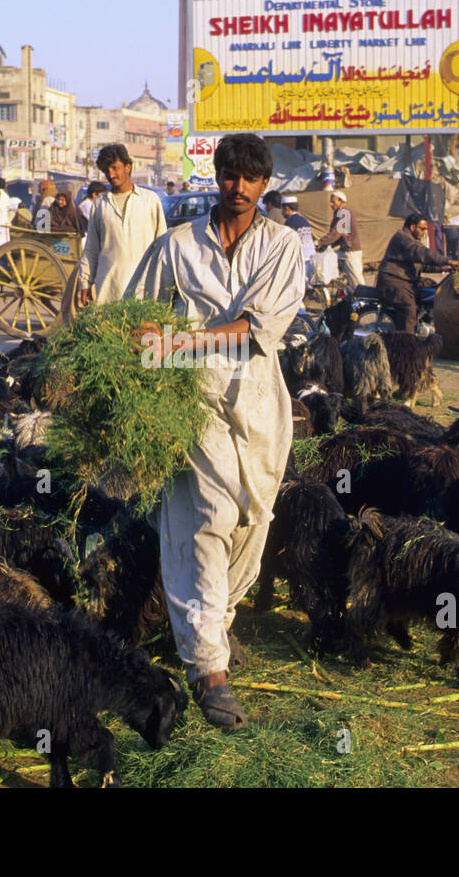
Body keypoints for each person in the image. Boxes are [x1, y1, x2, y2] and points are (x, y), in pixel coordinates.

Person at [125, 132, 303, 730]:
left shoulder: (284, 247)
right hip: (189, 401)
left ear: (264, 183)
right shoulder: (175, 246)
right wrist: (147, 348)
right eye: (230, 174)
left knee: (253, 523)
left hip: (258, 405)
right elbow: (137, 315)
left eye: (250, 178)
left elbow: (254, 328)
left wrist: (175, 343)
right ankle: (208, 672)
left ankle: (214, 626)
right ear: (217, 176)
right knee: (205, 519)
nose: (238, 187)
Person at [74, 143, 166, 306]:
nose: (111, 174)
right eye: (107, 170)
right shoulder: (100, 205)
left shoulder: (150, 200)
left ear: (127, 167)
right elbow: (91, 248)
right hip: (108, 290)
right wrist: (85, 282)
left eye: (115, 168)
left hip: (144, 290)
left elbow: (163, 247)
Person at [377, 215, 456, 333]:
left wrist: (445, 267)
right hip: (393, 281)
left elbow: (422, 264)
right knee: (409, 309)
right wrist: (447, 260)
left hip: (406, 279)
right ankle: (407, 344)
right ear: (413, 227)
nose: (424, 232)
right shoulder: (403, 238)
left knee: (433, 288)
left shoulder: (411, 240)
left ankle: (425, 323)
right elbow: (422, 253)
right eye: (422, 229)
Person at [315, 190, 362, 290]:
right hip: (344, 249)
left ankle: (365, 301)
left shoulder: (344, 212)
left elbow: (336, 232)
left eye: (333, 202)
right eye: (331, 202)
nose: (331, 204)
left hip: (350, 251)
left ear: (341, 201)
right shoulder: (339, 213)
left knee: (357, 282)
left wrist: (321, 242)